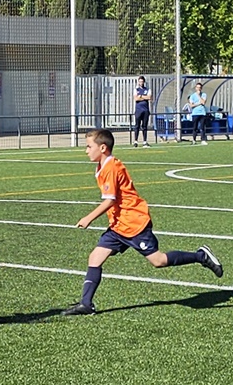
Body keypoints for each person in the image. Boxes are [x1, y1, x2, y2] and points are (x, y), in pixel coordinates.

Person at [61, 129, 223, 316]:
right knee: (95, 257)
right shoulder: (102, 166)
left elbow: (110, 200)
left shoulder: (111, 167)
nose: (86, 150)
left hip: (134, 223)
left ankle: (201, 256)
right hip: (119, 225)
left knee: (158, 261)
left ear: (103, 148)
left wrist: (88, 218)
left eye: (89, 146)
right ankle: (86, 304)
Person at [132, 75, 151, 148]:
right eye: (140, 81)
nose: (141, 83)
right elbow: (136, 98)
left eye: (142, 81)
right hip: (138, 110)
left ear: (144, 82)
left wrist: (141, 96)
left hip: (145, 110)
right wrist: (143, 97)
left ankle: (145, 141)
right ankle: (135, 141)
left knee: (144, 126)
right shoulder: (136, 89)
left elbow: (149, 97)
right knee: (137, 126)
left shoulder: (148, 89)